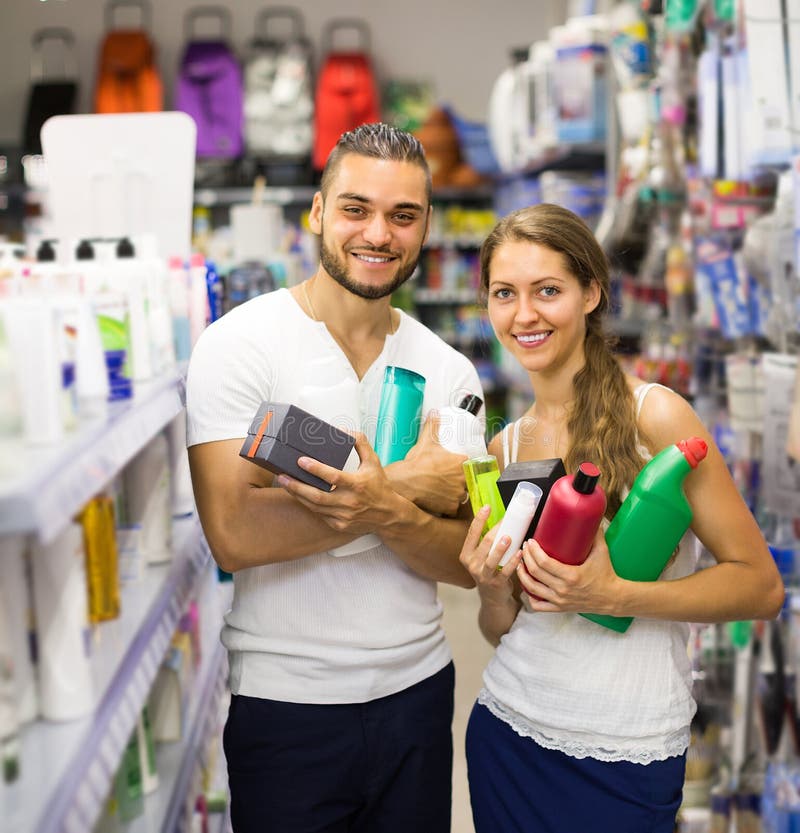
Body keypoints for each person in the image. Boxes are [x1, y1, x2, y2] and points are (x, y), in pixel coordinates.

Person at [185, 123, 484, 833]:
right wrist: (409, 489)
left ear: (425, 229)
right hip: (286, 707)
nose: (378, 233)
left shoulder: (449, 370)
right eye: (356, 208)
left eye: (403, 215)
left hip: (417, 695)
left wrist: (382, 503)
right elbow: (234, 533)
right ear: (317, 213)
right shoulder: (239, 345)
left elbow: (466, 560)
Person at [458, 203, 784, 833]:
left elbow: (760, 585)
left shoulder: (657, 418)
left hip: (626, 752)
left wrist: (615, 594)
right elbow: (503, 628)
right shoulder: (504, 448)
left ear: (591, 293)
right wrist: (492, 586)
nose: (523, 315)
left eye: (547, 290)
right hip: (508, 731)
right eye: (505, 294)